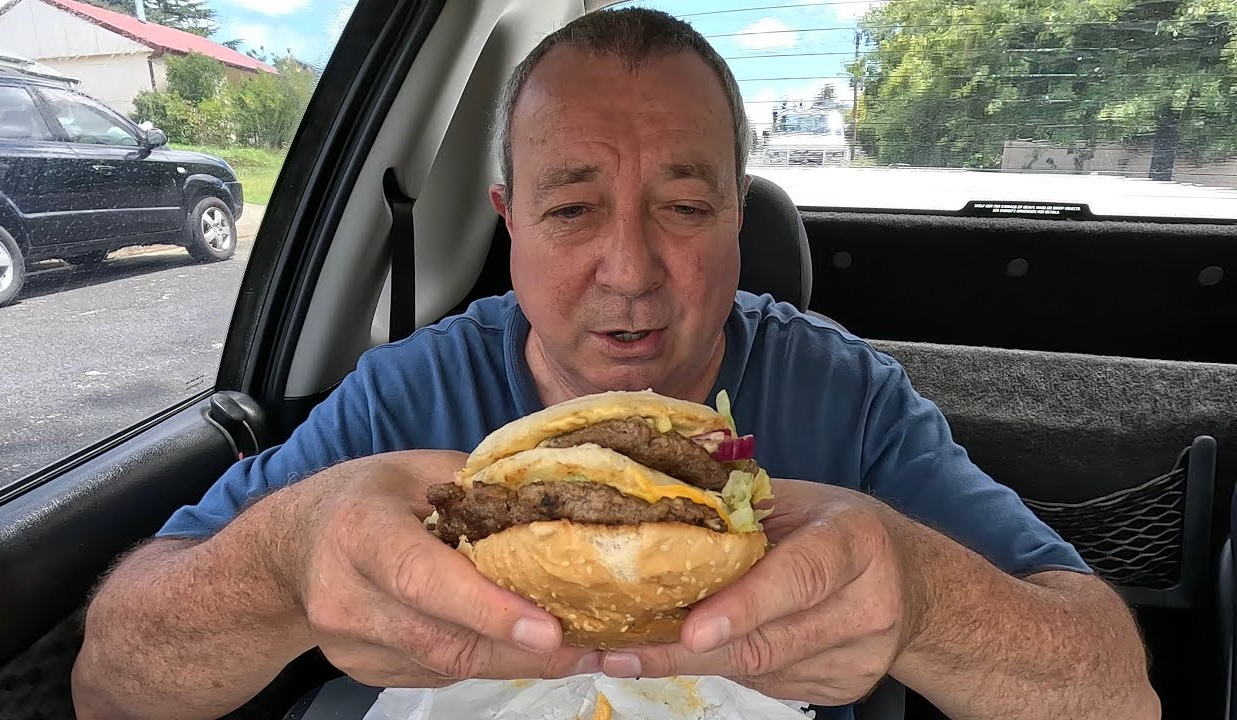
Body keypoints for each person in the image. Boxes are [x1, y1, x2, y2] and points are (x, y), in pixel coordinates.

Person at [71, 8, 1159, 720]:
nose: (629, 271)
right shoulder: (406, 396)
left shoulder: (847, 398)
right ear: (507, 222)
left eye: (685, 207)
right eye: (572, 209)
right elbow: (113, 681)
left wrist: (920, 597)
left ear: (740, 212)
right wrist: (282, 565)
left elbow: (1114, 689)